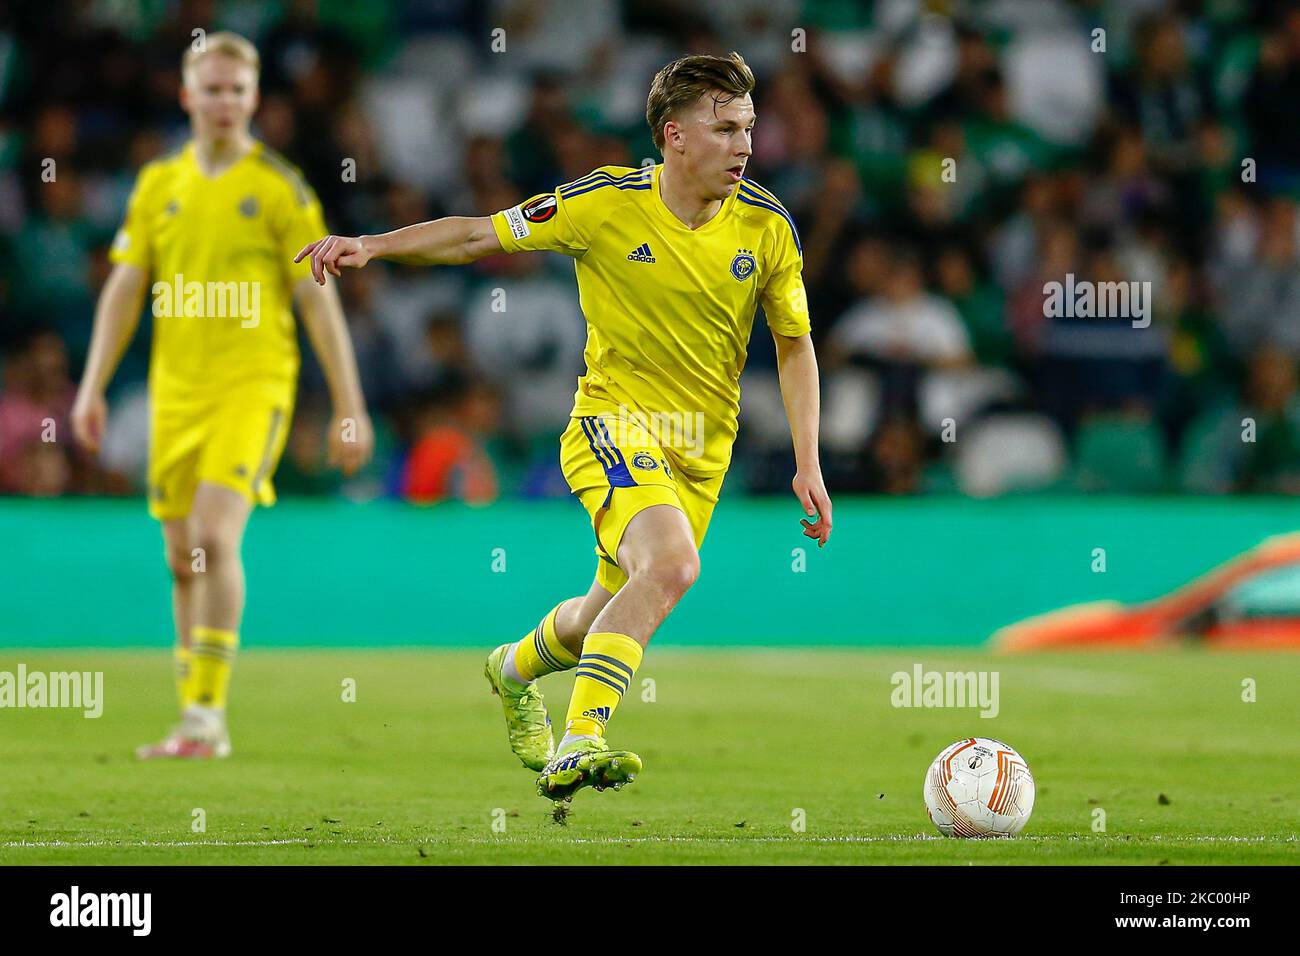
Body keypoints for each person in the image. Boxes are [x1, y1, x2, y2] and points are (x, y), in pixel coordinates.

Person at [296, 52, 831, 802]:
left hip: (701, 453)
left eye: (748, 128)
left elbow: (794, 343)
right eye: (725, 129)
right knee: (673, 567)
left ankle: (513, 669)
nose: (744, 145)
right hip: (611, 424)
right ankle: (581, 740)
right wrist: (373, 246)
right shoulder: (604, 202)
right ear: (674, 136)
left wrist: (807, 460)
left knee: (600, 612)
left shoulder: (768, 227)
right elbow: (479, 236)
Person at [71, 32, 374, 759]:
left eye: (237, 90)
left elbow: (316, 299)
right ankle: (192, 716)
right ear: (187, 96)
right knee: (181, 557)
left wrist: (348, 402)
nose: (225, 101)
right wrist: (92, 386)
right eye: (212, 88)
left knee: (212, 537)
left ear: (254, 99)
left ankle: (208, 718)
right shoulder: (158, 186)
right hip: (176, 392)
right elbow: (124, 287)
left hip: (253, 385)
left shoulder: (278, 187)